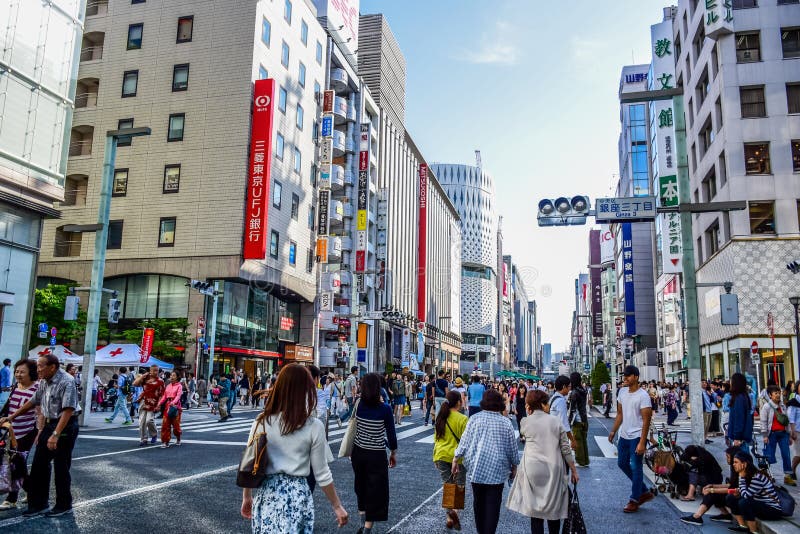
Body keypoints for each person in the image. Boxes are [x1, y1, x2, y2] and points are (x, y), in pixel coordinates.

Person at [241, 364, 347, 532]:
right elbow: (322, 473)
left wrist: (247, 496)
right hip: (298, 495)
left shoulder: (262, 421)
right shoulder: (313, 426)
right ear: (306, 390)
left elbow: (250, 462)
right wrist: (337, 506)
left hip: (267, 493)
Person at [0, 354, 80, 517]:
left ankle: (64, 504)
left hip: (65, 425)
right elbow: (33, 401)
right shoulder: (44, 380)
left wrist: (56, 434)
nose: (37, 370)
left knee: (61, 466)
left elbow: (68, 410)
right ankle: (39, 504)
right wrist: (12, 417)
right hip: (50, 424)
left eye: (40, 366)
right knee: (38, 465)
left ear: (52, 367)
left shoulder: (67, 381)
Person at [507, 390, 579, 534]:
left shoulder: (525, 422)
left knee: (535, 513)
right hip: (553, 468)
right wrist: (574, 470)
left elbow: (525, 432)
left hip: (532, 469)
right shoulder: (555, 421)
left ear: (529, 405)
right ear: (543, 404)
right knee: (554, 510)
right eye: (547, 403)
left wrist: (529, 413)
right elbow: (565, 449)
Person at [452, 389, 519, 534]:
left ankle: (481, 531)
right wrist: (514, 466)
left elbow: (464, 442)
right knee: (493, 506)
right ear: (499, 403)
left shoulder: (474, 419)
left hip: (477, 468)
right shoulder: (506, 422)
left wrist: (456, 459)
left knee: (479, 504)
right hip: (497, 471)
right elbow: (512, 448)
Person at [350, 373, 397, 534]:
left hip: (358, 452)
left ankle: (362, 524)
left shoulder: (359, 404)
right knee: (375, 491)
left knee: (360, 486)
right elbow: (391, 436)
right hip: (376, 455)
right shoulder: (385, 409)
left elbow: (353, 424)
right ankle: (367, 530)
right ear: (378, 388)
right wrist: (393, 453)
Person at [608, 365, 654, 513]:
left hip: (637, 435)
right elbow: (620, 414)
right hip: (624, 435)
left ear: (636, 377)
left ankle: (634, 499)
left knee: (636, 465)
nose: (625, 378)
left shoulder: (643, 396)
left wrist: (642, 442)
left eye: (628, 375)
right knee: (622, 463)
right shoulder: (622, 392)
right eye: (624, 375)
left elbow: (646, 420)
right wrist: (613, 431)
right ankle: (644, 491)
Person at [0, 359, 39, 510]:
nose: (18, 374)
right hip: (11, 431)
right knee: (17, 464)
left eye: (22, 372)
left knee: (16, 464)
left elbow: (39, 412)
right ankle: (31, 492)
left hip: (27, 431)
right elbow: (8, 406)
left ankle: (12, 498)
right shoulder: (16, 386)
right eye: (17, 371)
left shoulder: (37, 388)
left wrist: (39, 431)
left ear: (31, 373)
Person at [433, 391, 468, 530]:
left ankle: (449, 517)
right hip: (457, 457)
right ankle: (455, 512)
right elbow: (466, 442)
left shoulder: (441, 416)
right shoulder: (463, 419)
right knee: (459, 486)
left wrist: (435, 457)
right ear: (458, 402)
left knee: (448, 486)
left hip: (441, 454)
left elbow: (436, 438)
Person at [680, 446, 739, 526]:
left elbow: (734, 489)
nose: (727, 459)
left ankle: (697, 516)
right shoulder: (734, 467)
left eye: (728, 457)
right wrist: (713, 486)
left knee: (712, 492)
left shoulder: (741, 470)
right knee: (712, 490)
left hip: (738, 495)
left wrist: (712, 489)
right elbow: (731, 485)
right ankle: (725, 514)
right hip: (732, 491)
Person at [725, 451, 783, 532]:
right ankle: (743, 526)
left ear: (744, 464)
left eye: (736, 462)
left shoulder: (757, 477)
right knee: (731, 498)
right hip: (760, 505)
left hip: (772, 510)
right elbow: (745, 492)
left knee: (744, 502)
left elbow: (746, 496)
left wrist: (741, 477)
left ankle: (753, 531)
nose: (733, 464)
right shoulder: (748, 475)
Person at [760, 384, 795, 486]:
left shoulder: (783, 406)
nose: (778, 395)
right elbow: (763, 421)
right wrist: (765, 435)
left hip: (783, 434)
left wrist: (789, 434)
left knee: (786, 455)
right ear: (770, 395)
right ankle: (766, 474)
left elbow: (787, 421)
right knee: (769, 455)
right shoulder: (766, 407)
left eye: (779, 393)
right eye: (776, 393)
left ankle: (787, 476)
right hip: (772, 434)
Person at [133, 364, 164, 447]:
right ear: (150, 371)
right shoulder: (145, 378)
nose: (155, 372)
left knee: (149, 420)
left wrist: (159, 404)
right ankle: (144, 439)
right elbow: (135, 384)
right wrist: (142, 376)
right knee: (142, 421)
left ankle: (154, 434)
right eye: (153, 370)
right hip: (143, 401)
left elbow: (161, 394)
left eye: (156, 370)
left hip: (153, 402)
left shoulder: (160, 381)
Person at [726, 372, 754, 452]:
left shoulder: (739, 398)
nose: (730, 383)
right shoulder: (743, 396)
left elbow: (739, 419)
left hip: (739, 438)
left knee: (740, 457)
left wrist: (737, 437)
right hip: (742, 436)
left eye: (731, 381)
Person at [549, 376, 576, 451]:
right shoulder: (561, 401)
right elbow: (564, 423)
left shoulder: (554, 397)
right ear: (564, 386)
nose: (570, 389)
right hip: (557, 436)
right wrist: (572, 440)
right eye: (569, 386)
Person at [157, 371, 183, 448]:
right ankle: (165, 441)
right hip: (167, 406)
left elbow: (178, 396)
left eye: (174, 375)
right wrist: (159, 403)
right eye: (171, 375)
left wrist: (173, 402)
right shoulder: (168, 386)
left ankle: (178, 437)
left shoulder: (179, 386)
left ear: (177, 377)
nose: (171, 377)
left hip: (176, 407)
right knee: (165, 424)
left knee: (176, 426)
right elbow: (164, 396)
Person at [568, 372, 589, 467]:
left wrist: (569, 422)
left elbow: (572, 410)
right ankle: (585, 460)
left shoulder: (574, 393)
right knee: (583, 441)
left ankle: (580, 461)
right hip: (584, 418)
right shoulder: (583, 390)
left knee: (577, 441)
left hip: (577, 419)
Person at [788, 381, 800, 482]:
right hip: (797, 430)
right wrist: (792, 431)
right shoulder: (794, 401)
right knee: (799, 454)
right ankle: (792, 470)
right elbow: (791, 418)